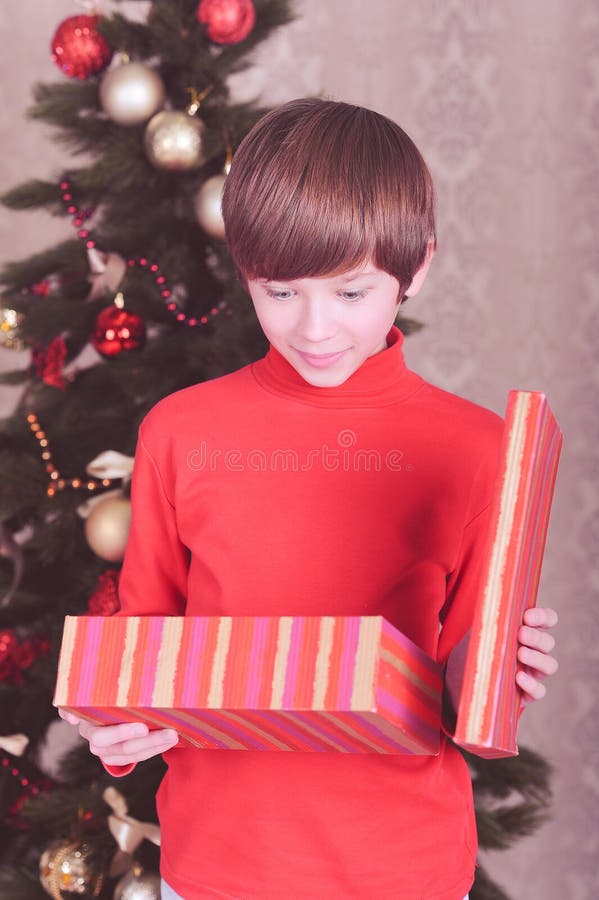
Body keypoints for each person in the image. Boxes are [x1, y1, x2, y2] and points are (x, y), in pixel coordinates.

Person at [59, 98, 559, 900]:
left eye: (351, 294)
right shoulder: (179, 433)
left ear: (417, 267)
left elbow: (468, 705)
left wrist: (495, 671)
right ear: (243, 272)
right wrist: (109, 720)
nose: (315, 329)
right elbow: (147, 648)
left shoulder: (476, 447)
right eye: (279, 292)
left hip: (405, 870)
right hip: (218, 864)